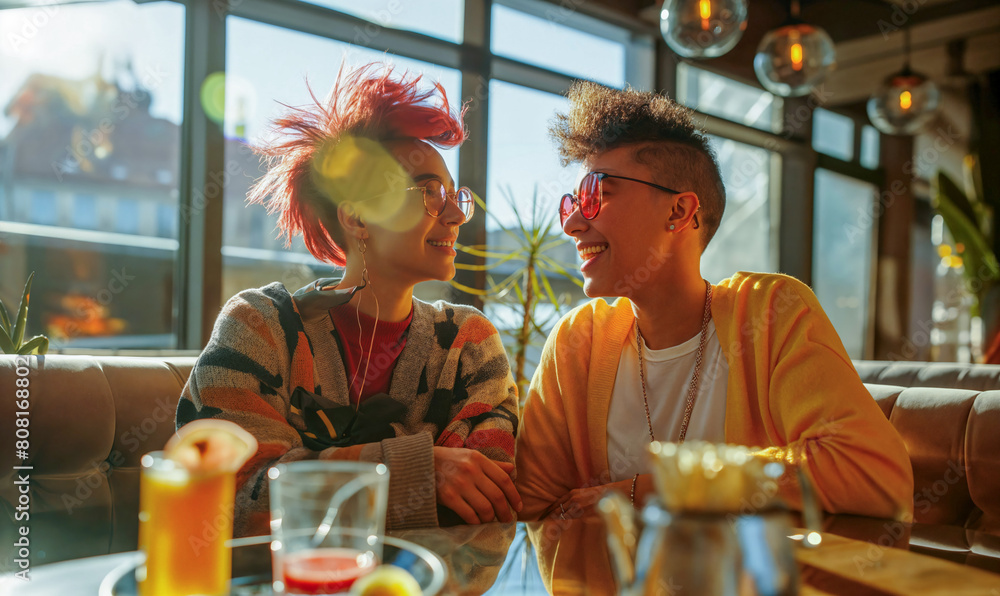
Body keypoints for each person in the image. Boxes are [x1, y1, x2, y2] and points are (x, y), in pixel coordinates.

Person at [514, 81, 914, 523]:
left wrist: (653, 488)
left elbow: (872, 471)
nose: (571, 222)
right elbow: (534, 508)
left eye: (595, 194)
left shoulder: (770, 313)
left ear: (679, 212)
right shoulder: (580, 340)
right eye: (571, 201)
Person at [176, 63, 521, 536]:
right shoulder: (260, 325)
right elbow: (233, 498)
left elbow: (483, 507)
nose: (456, 216)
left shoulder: (468, 343)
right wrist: (423, 470)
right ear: (357, 218)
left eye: (455, 195)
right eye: (429, 192)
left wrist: (310, 470)